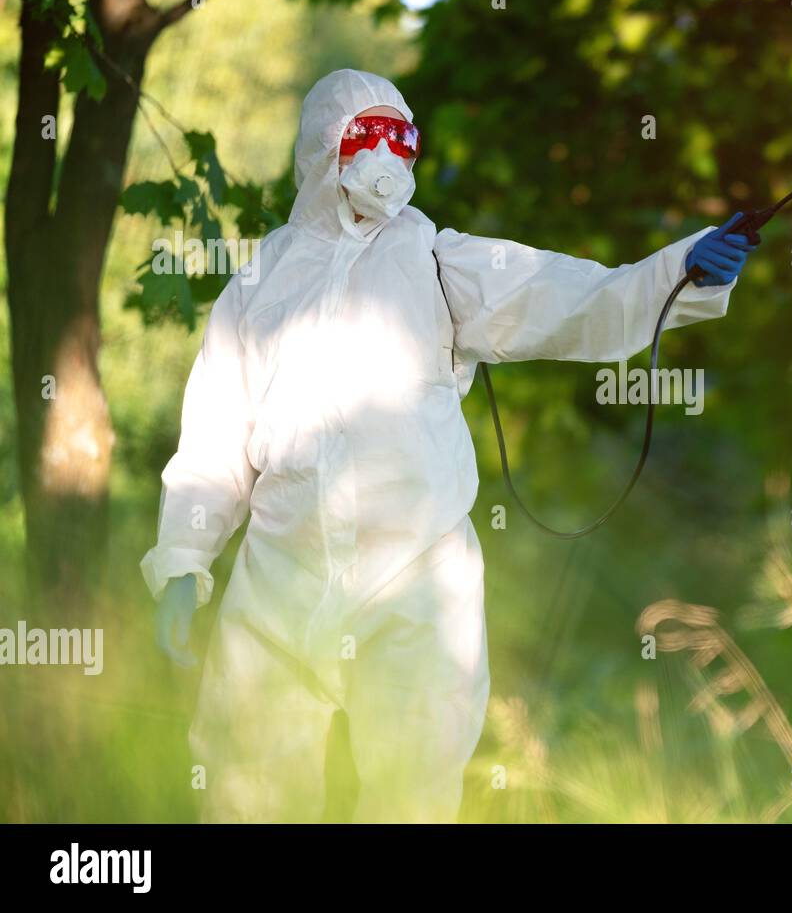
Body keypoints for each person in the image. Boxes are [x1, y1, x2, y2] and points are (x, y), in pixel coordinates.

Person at [141, 69, 756, 822]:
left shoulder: (436, 258)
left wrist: (678, 272)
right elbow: (213, 439)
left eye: (405, 138)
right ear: (324, 147)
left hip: (417, 577)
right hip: (281, 575)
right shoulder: (259, 281)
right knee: (245, 787)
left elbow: (569, 299)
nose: (390, 154)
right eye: (371, 135)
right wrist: (183, 559)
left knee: (412, 794)